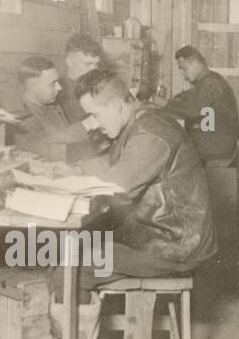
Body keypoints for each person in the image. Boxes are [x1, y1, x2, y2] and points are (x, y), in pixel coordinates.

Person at [60, 69, 217, 294]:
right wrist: (76, 169)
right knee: (71, 252)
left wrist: (69, 182)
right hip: (161, 233)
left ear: (116, 105)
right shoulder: (143, 119)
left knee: (67, 269)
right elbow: (122, 162)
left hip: (174, 244)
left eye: (95, 115)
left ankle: (72, 329)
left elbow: (117, 185)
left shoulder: (150, 132)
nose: (93, 124)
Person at [162, 46, 239, 163]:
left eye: (183, 69)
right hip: (217, 141)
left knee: (172, 147)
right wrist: (169, 103)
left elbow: (193, 109)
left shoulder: (211, 83)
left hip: (219, 145)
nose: (183, 75)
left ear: (194, 63)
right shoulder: (207, 80)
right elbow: (186, 97)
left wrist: (163, 104)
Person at [14, 56, 100, 160]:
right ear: (31, 86)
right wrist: (88, 124)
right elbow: (52, 149)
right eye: (52, 84)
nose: (59, 88)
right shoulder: (21, 117)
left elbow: (68, 142)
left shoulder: (52, 105)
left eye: (57, 82)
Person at [59, 33, 104, 122]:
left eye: (96, 64)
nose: (94, 69)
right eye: (87, 64)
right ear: (70, 62)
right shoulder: (58, 92)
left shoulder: (96, 85)